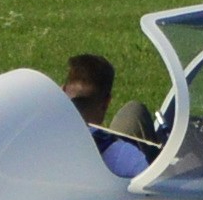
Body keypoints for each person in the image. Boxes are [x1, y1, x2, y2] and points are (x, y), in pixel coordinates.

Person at [63, 52, 154, 180]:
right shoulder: (125, 157)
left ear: (62, 90)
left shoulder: (41, 140)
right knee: (134, 111)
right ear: (106, 102)